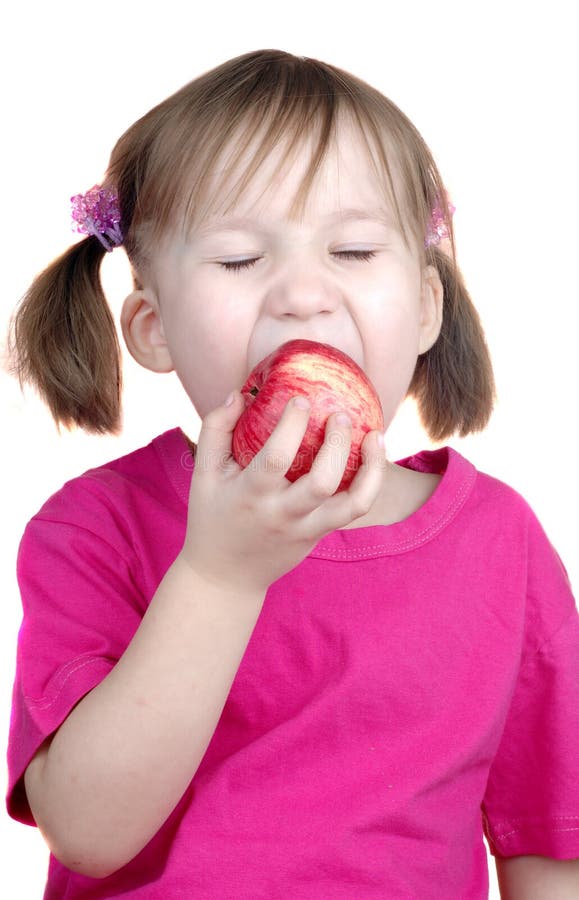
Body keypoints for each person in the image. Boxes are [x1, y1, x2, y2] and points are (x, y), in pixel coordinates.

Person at [5, 49, 579, 899]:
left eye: (352, 249)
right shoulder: (96, 527)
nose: (302, 295)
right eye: (240, 260)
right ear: (153, 327)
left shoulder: (501, 542)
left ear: (425, 307)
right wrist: (217, 574)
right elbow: (85, 831)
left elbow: (546, 840)